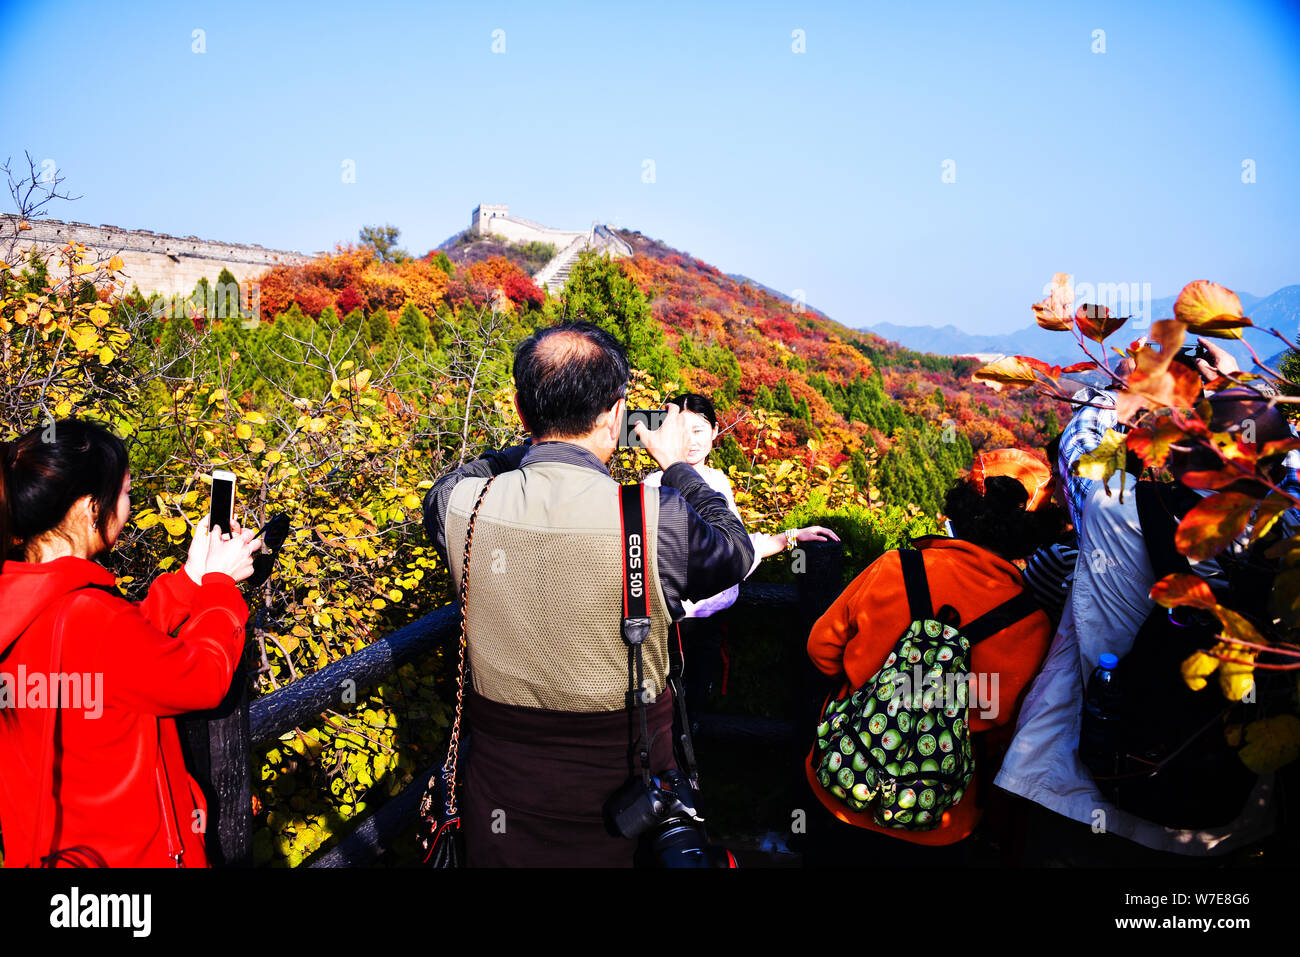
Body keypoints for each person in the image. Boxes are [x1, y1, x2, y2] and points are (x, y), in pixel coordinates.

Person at [421, 322, 755, 867]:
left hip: (500, 786)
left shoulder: (464, 505)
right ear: (617, 413)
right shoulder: (650, 518)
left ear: (522, 410)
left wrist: (533, 442)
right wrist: (675, 467)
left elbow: (449, 486)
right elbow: (732, 551)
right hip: (627, 790)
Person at [995, 388, 1290, 859]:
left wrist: (1117, 394)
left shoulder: (1119, 508)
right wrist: (1255, 402)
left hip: (1090, 788)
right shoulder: (1286, 535)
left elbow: (1081, 447)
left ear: (1179, 453)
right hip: (1226, 811)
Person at [0, 418, 261, 867]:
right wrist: (220, 586)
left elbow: (120, 659)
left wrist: (191, 580)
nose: (128, 505)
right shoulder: (91, 616)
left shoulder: (25, 600)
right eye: (122, 493)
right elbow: (202, 676)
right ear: (87, 509)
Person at [802, 473, 1054, 865]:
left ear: (960, 522)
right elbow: (1001, 720)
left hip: (842, 776)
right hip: (936, 812)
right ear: (1019, 546)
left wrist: (875, 687)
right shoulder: (1029, 622)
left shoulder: (895, 567)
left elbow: (821, 648)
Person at [641, 392, 839, 723]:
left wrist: (791, 537)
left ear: (716, 431)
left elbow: (735, 547)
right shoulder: (652, 485)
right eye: (680, 429)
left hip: (710, 621)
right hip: (669, 622)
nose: (690, 440)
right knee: (662, 709)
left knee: (696, 704)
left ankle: (685, 772)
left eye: (699, 429)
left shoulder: (719, 482)